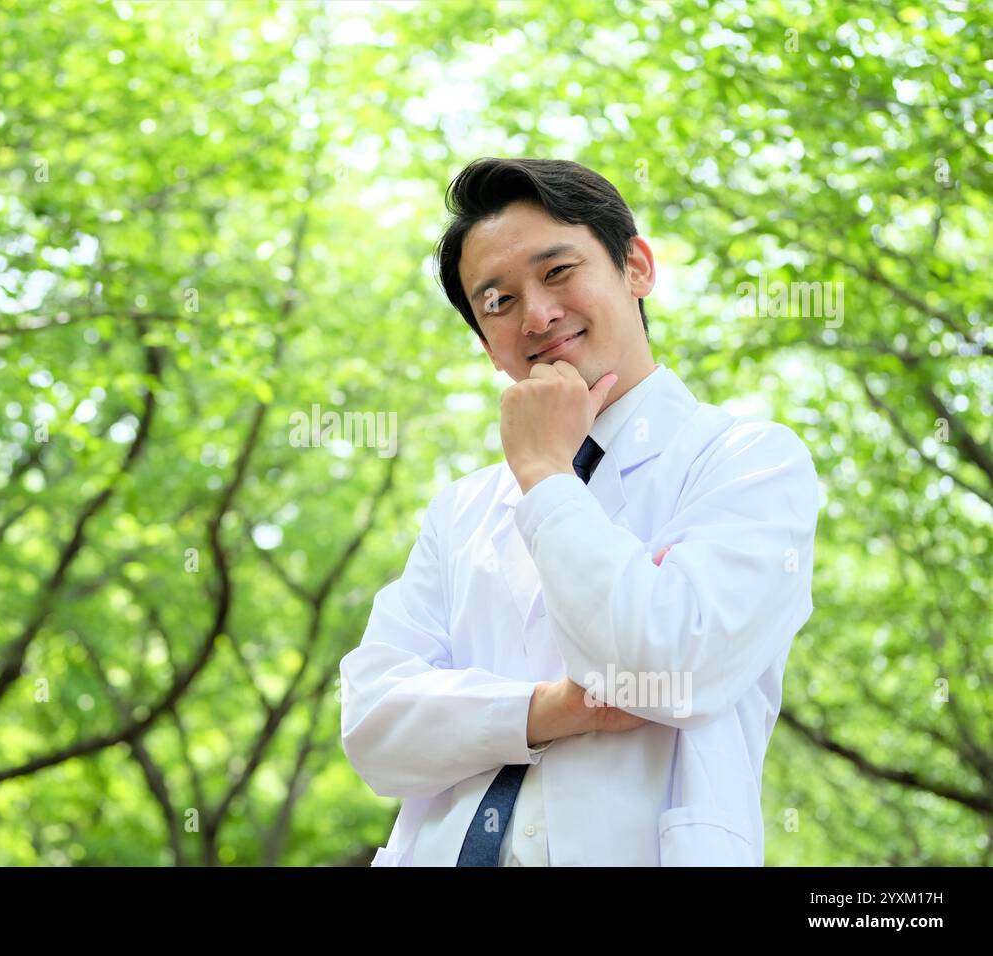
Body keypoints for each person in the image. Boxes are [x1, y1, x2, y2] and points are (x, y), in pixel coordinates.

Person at [339, 158, 820, 866]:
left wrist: (543, 473)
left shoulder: (748, 461)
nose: (536, 315)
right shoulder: (462, 509)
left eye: (558, 272)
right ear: (483, 340)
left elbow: (670, 661)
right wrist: (553, 709)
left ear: (637, 268)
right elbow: (375, 725)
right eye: (497, 301)